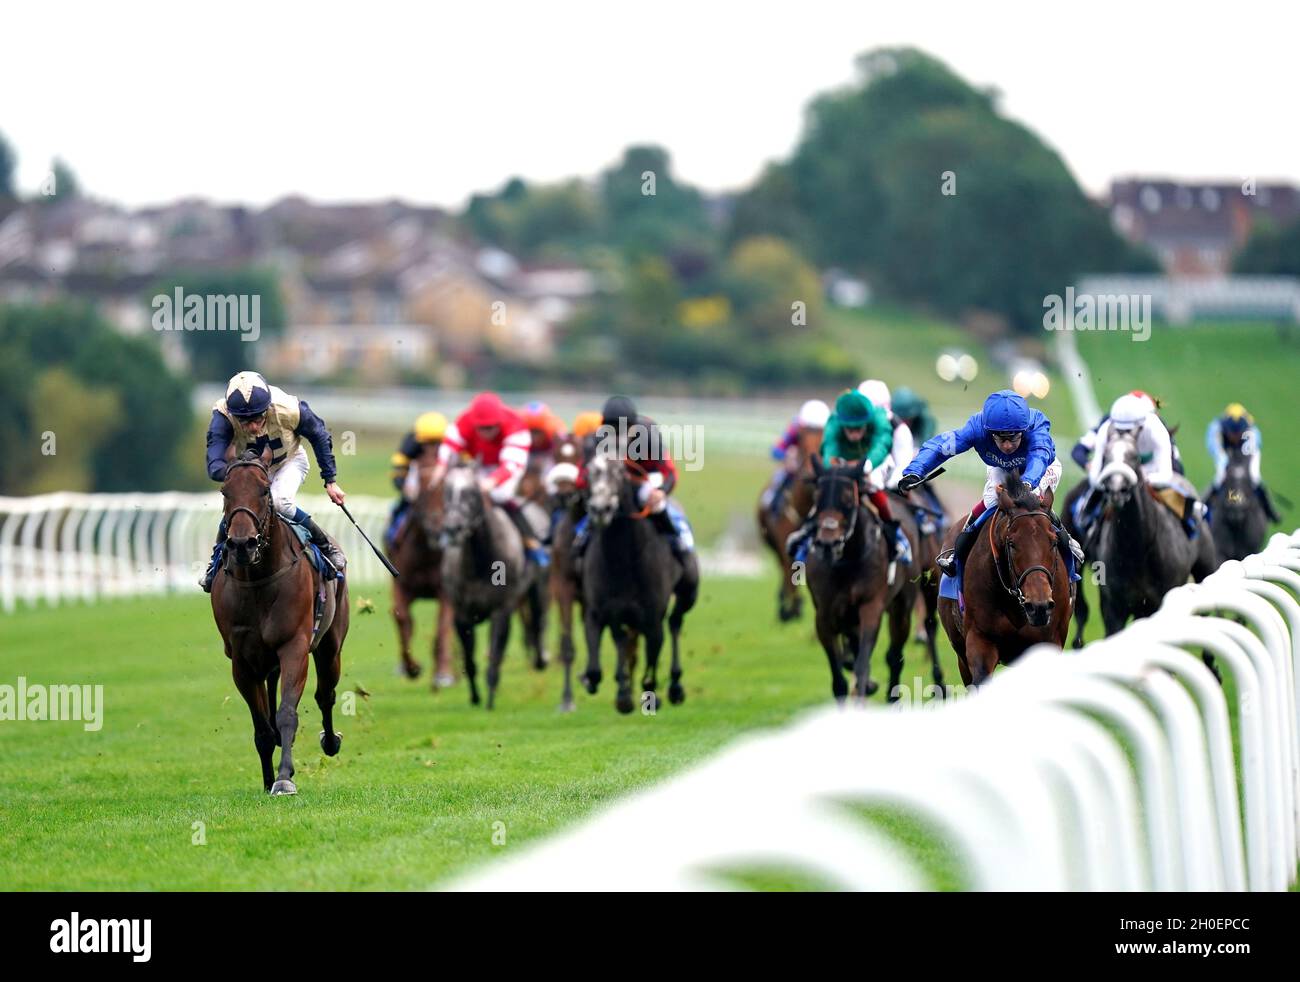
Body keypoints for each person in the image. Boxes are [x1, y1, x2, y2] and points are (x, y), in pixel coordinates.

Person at [899, 389, 1076, 577]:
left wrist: (1026, 484)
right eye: (1000, 437)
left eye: (1014, 437)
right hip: (1002, 468)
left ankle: (1069, 548)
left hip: (1041, 468)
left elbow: (1039, 456)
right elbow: (940, 446)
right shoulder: (977, 427)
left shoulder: (1036, 424)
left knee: (1033, 504)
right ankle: (957, 555)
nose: (1007, 445)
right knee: (991, 501)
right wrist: (914, 471)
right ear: (988, 431)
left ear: (1024, 430)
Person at [200, 371, 346, 591]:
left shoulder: (287, 408)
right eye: (244, 421)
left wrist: (330, 480)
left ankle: (325, 545)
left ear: (266, 408)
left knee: (279, 502)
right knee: (240, 508)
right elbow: (214, 464)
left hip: (289, 461)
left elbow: (319, 434)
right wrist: (238, 473)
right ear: (233, 414)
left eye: (257, 418)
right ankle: (215, 562)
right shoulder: (222, 416)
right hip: (247, 470)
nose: (253, 427)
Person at [784, 389, 911, 564]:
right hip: (843, 464)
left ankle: (895, 534)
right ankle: (807, 534)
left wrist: (866, 466)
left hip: (873, 461)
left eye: (858, 428)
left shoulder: (879, 419)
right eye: (849, 429)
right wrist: (835, 468)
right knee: (828, 490)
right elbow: (829, 449)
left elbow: (881, 445)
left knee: (873, 487)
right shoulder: (834, 422)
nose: (854, 434)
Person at [426, 392, 547, 566]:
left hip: (507, 466)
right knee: (457, 488)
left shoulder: (516, 428)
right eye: (481, 428)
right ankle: (449, 532)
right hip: (479, 465)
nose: (486, 432)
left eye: (491, 428)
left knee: (500, 495)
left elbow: (510, 466)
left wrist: (491, 482)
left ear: (499, 422)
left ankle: (529, 539)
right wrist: (440, 467)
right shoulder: (464, 421)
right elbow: (449, 448)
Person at [572, 395, 695, 559]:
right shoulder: (595, 440)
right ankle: (583, 537)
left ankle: (676, 538)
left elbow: (670, 473)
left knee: (652, 501)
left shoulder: (648, 436)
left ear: (633, 427)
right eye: (611, 430)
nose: (616, 436)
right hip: (611, 484)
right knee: (599, 501)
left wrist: (660, 492)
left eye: (621, 430)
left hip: (644, 479)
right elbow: (581, 477)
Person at [1085, 393, 1205, 537]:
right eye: (1119, 430)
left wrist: (1142, 480)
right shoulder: (1106, 429)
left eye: (1128, 431)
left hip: (1151, 472)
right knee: (1087, 506)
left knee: (1175, 496)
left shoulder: (1156, 430)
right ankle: (1084, 528)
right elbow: (1094, 477)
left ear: (1141, 425)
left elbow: (1166, 474)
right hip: (1117, 473)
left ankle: (1192, 519)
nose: (1123, 435)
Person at [1071, 390, 1184, 475]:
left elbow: (1177, 467)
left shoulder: (1158, 428)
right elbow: (1078, 450)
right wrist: (1089, 465)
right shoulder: (1109, 424)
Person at [1206, 403, 1279, 522]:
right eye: (1231, 433)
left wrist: (1242, 469)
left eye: (1237, 433)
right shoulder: (1216, 429)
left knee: (1255, 477)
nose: (1234, 437)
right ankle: (1204, 506)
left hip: (1247, 452)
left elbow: (1251, 452)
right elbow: (1216, 450)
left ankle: (1269, 510)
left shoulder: (1252, 433)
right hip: (1226, 453)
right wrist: (1225, 463)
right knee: (1220, 478)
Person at [385, 411, 447, 546]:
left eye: (437, 443)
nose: (433, 448)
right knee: (397, 510)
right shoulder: (410, 445)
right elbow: (398, 474)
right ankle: (392, 539)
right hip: (415, 492)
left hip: (443, 496)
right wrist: (405, 488)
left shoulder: (451, 446)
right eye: (428, 443)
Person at [761, 399, 830, 515]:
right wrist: (787, 457)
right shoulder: (795, 427)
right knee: (777, 482)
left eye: (818, 431)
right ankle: (771, 506)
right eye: (809, 430)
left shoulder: (830, 432)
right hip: (796, 468)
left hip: (821, 470)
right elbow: (776, 450)